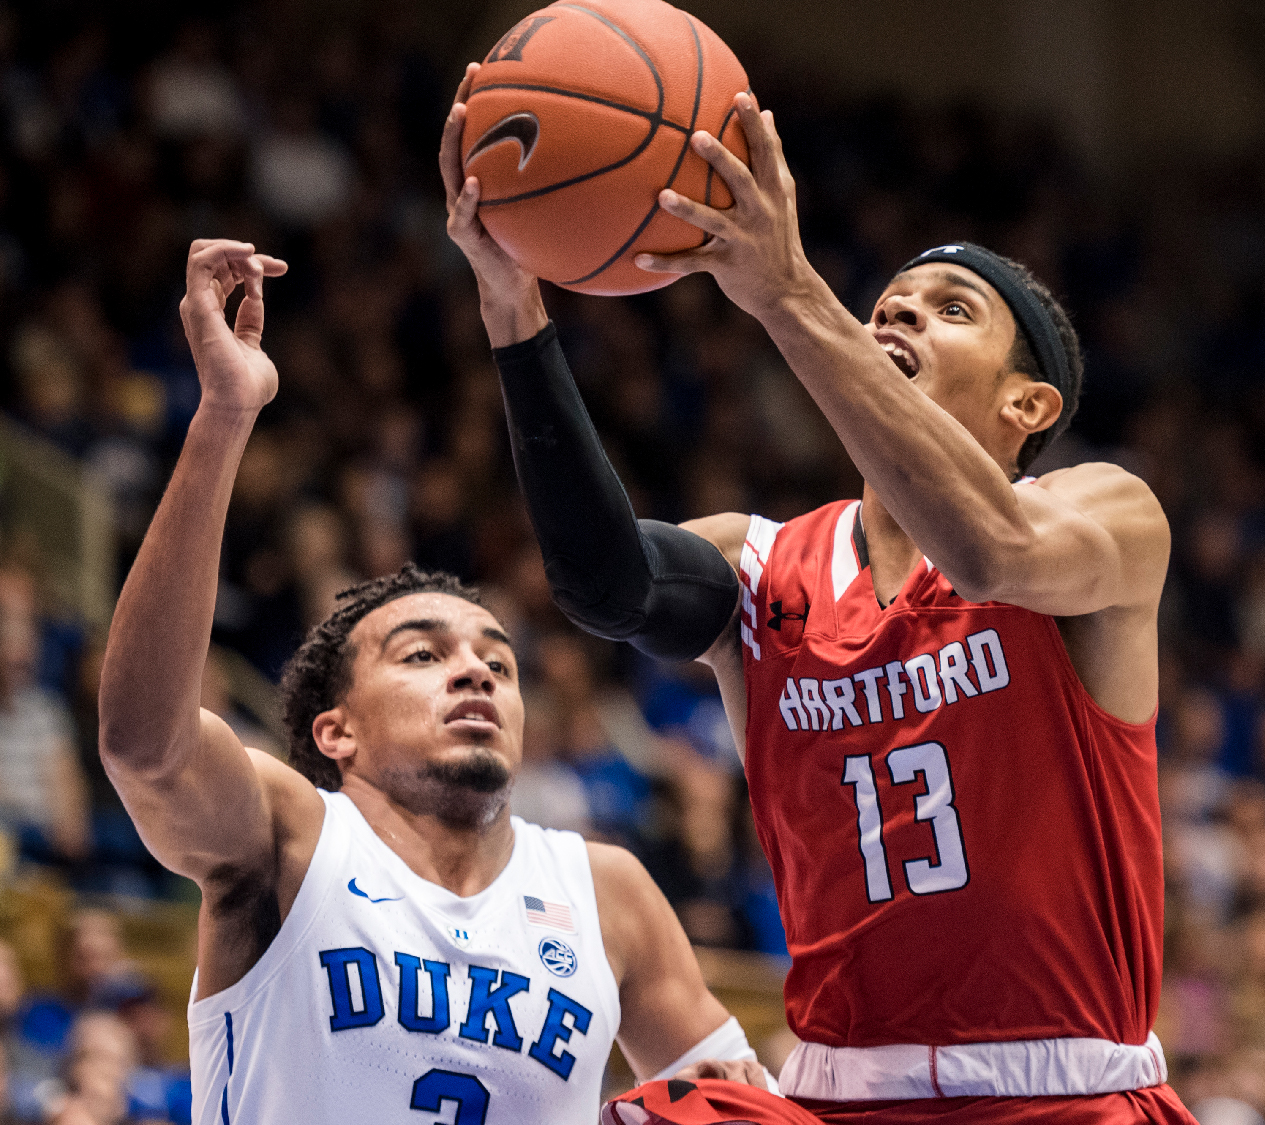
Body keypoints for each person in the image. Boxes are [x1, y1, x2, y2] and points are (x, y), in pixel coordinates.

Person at [442, 59, 1192, 1124]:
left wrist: (791, 294)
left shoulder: (1103, 519)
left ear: (1028, 403)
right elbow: (601, 583)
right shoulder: (762, 565)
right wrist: (512, 303)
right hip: (837, 1092)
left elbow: (986, 549)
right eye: (890, 303)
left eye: (950, 311)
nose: (901, 316)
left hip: (1061, 1091)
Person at [96, 239, 788, 1124]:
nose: (475, 670)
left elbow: (744, 1107)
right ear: (334, 731)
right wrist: (223, 417)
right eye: (423, 653)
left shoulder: (606, 892)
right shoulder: (290, 835)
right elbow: (142, 745)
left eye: (500, 660)